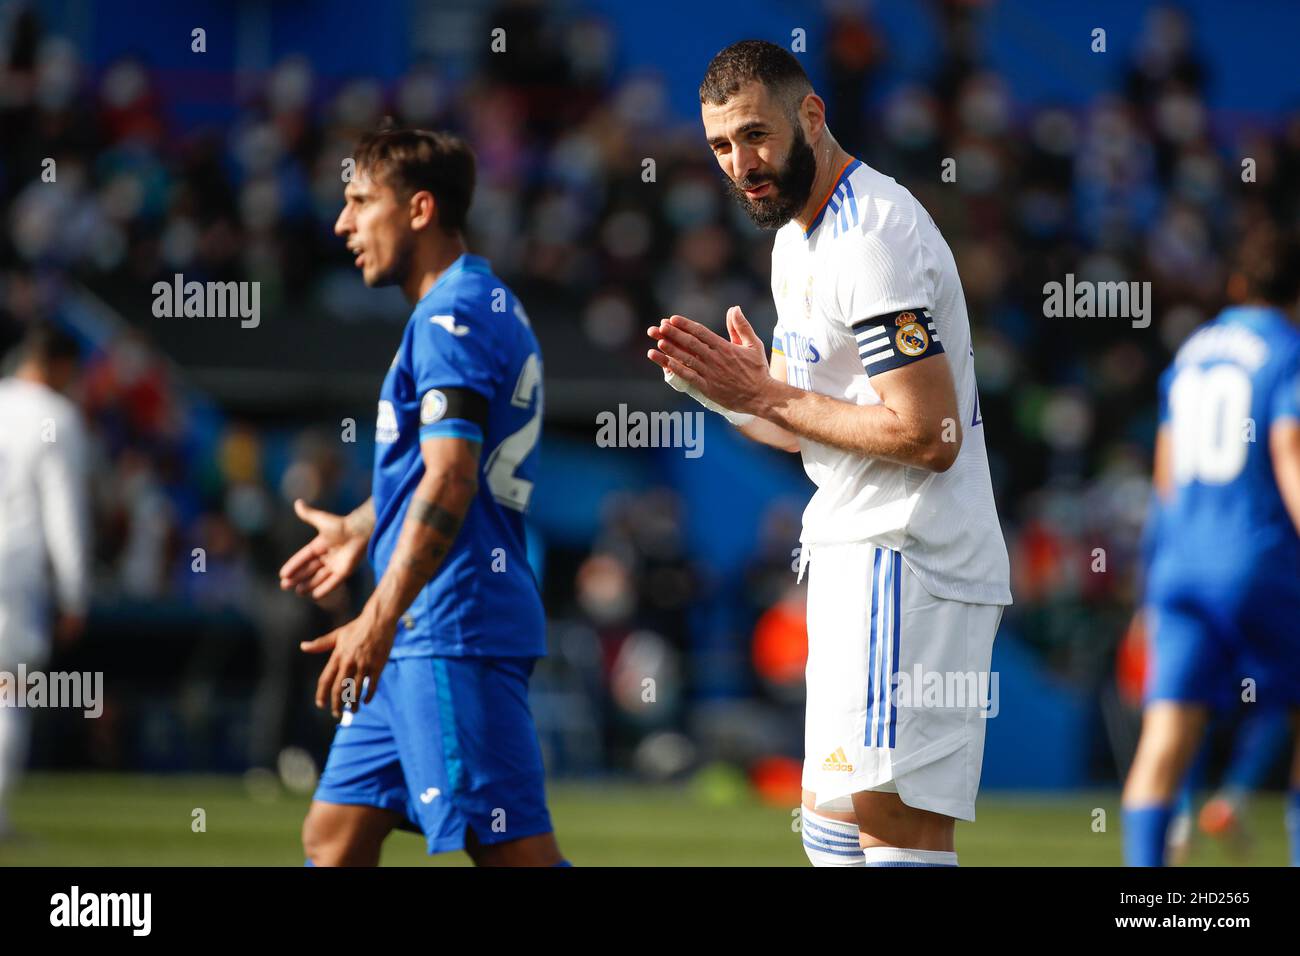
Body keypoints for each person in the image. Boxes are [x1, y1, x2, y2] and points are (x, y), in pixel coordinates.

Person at [647, 40, 1011, 867]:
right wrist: (727, 394)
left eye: (755, 135)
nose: (741, 164)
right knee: (832, 836)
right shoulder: (795, 240)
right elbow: (805, 421)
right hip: (855, 554)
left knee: (894, 841)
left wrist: (770, 393)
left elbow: (930, 435)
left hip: (908, 558)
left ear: (812, 114)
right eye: (721, 147)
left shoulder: (872, 235)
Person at [280, 127, 565, 866]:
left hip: (448, 627)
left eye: (359, 202)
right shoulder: (478, 300)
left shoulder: (451, 315)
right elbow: (437, 471)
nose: (342, 224)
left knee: (511, 855)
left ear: (419, 209)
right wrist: (359, 525)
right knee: (334, 837)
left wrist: (377, 614)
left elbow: (451, 476)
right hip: (419, 632)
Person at [1123, 224, 1300, 867]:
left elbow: (1165, 480)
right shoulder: (1288, 349)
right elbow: (1289, 453)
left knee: (1164, 740)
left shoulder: (1194, 352)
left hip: (1181, 567)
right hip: (1257, 559)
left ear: (1235, 284)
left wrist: (1149, 588)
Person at [0, 323, 91, 839]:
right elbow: (64, 511)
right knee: (9, 689)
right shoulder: (57, 417)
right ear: (58, 365)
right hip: (13, 568)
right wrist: (75, 591)